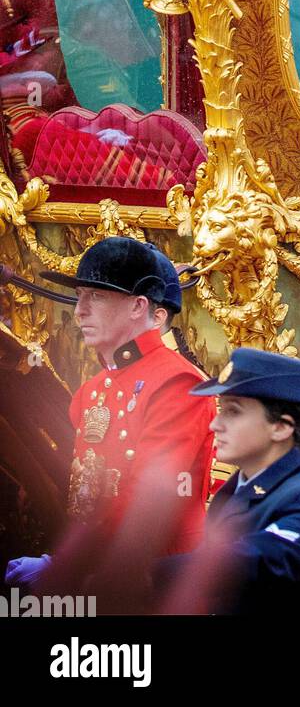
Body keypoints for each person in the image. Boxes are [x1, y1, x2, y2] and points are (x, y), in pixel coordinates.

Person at [4, 236, 214, 588]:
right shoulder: (94, 389)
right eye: (80, 296)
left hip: (156, 581)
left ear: (139, 307)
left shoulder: (176, 384)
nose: (79, 310)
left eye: (96, 297)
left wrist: (63, 569)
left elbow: (147, 507)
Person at [169, 348, 300, 616]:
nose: (215, 425)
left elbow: (257, 559)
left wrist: (147, 576)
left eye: (233, 412)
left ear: (281, 427)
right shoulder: (234, 491)